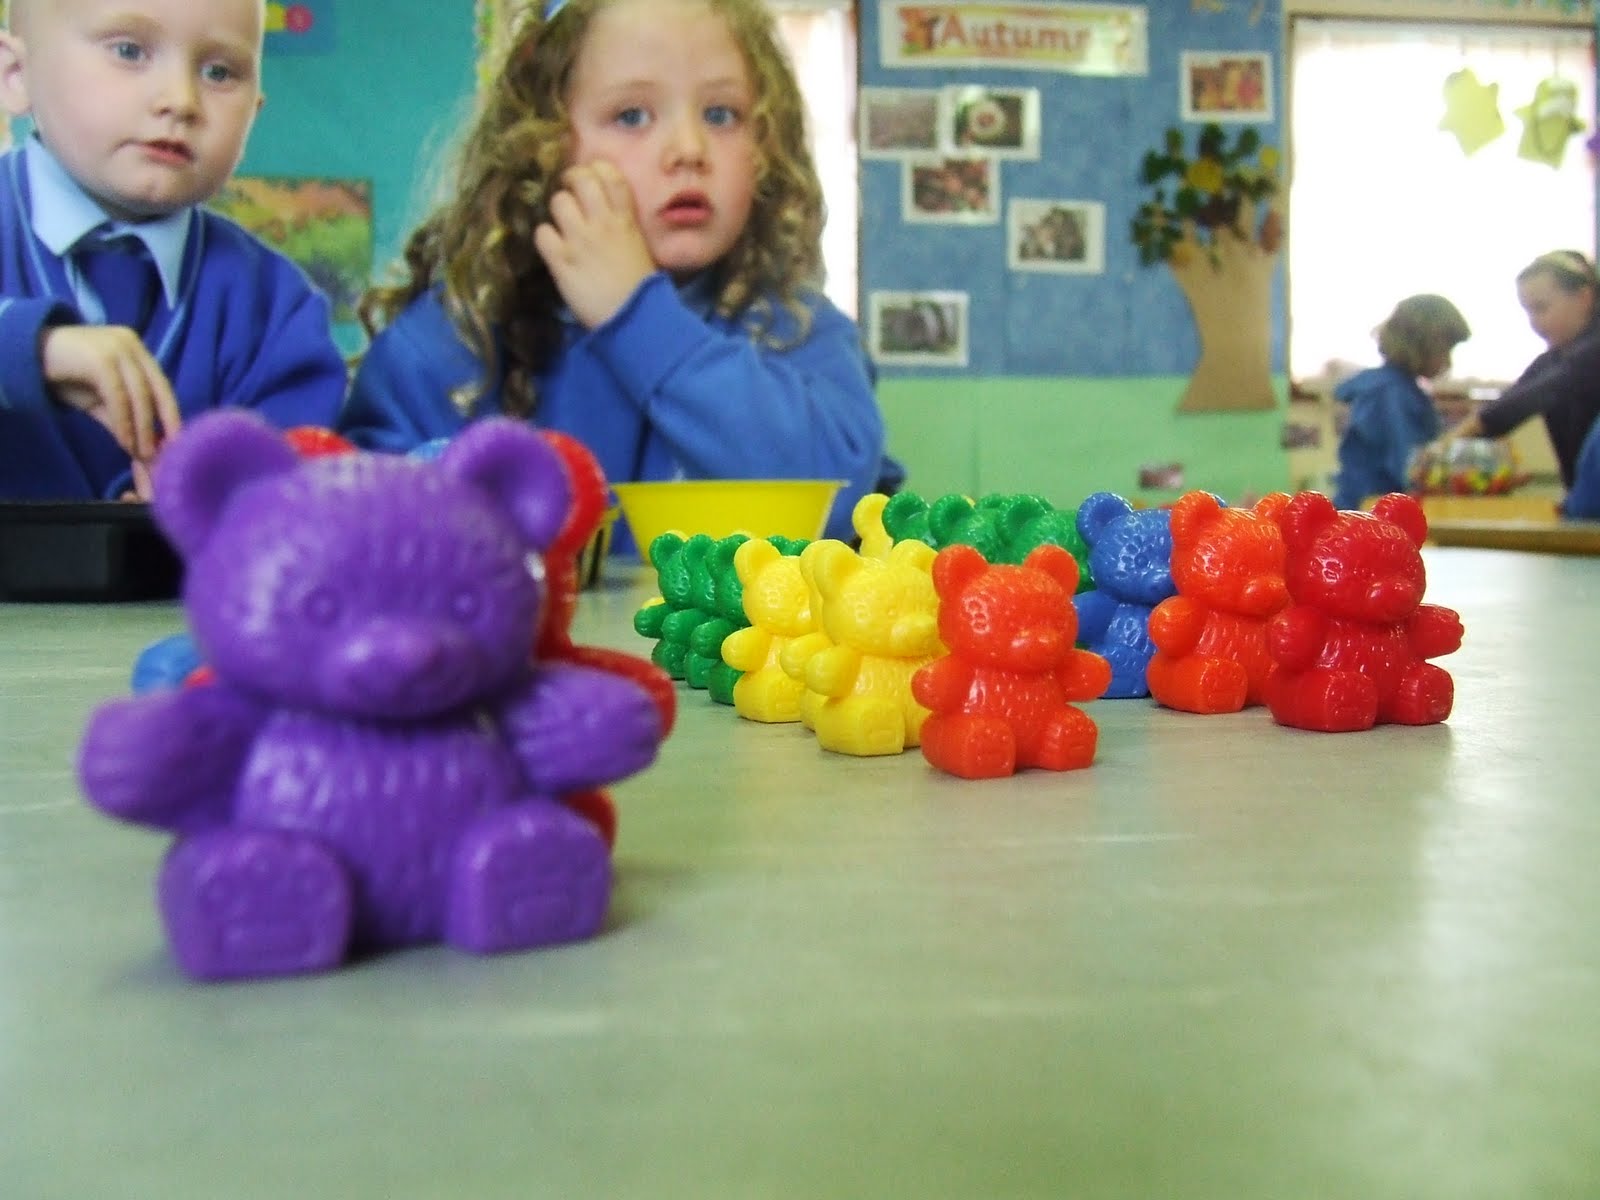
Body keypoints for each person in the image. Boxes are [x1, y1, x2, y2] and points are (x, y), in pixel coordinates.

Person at [339, 0, 893, 550]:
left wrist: (635, 316)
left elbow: (834, 497)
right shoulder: (458, 335)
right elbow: (363, 530)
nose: (688, 150)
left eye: (721, 115)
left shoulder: (797, 330)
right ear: (544, 145)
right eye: (631, 116)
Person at [0, 0, 346, 501]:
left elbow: (300, 510)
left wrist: (215, 509)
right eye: (129, 51)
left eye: (219, 71)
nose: (180, 99)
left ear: (255, 112)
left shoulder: (275, 311)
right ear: (15, 74)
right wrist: (31, 352)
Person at [1432, 250, 1600, 495]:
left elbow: (1534, 396)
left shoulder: (1591, 353)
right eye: (1528, 311)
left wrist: (1453, 442)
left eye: (1541, 308)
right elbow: (1509, 402)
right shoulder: (1553, 359)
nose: (1534, 322)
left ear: (1584, 298)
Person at [1330, 293, 1470, 511]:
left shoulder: (1400, 389)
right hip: (1370, 516)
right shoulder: (1391, 393)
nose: (1448, 361)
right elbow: (1409, 468)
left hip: (1372, 511)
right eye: (1445, 350)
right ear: (1421, 345)